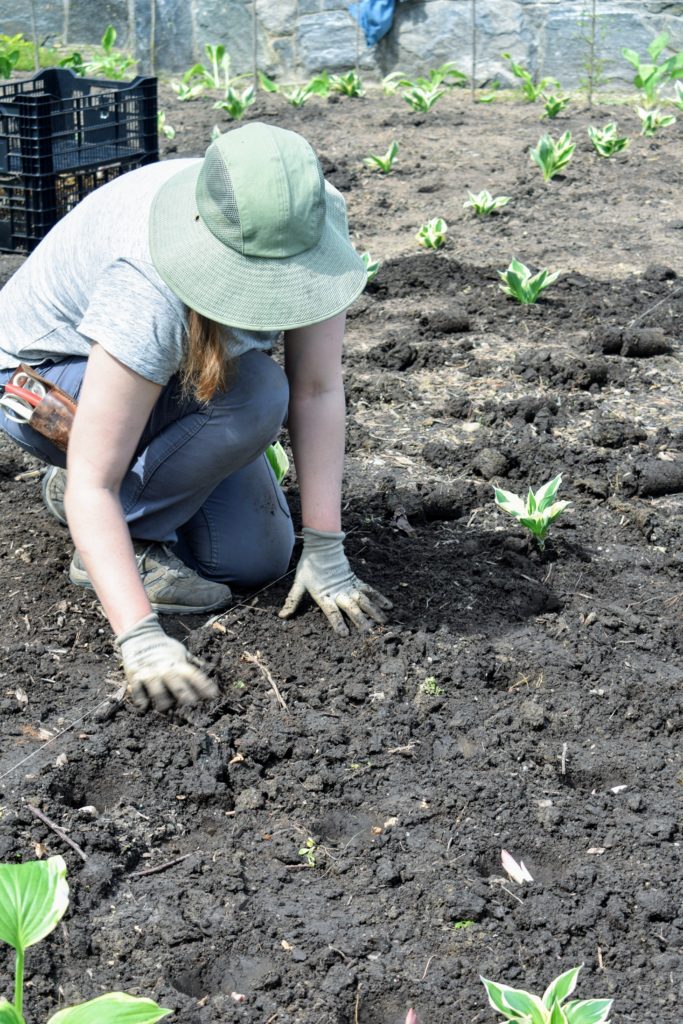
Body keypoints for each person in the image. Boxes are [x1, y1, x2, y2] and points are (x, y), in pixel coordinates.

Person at [0, 121, 392, 711]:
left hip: (170, 383)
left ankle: (136, 487)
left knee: (255, 559)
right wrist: (139, 637)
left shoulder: (311, 221)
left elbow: (315, 388)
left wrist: (326, 548)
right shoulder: (148, 285)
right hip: (49, 386)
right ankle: (116, 536)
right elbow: (95, 481)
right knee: (255, 393)